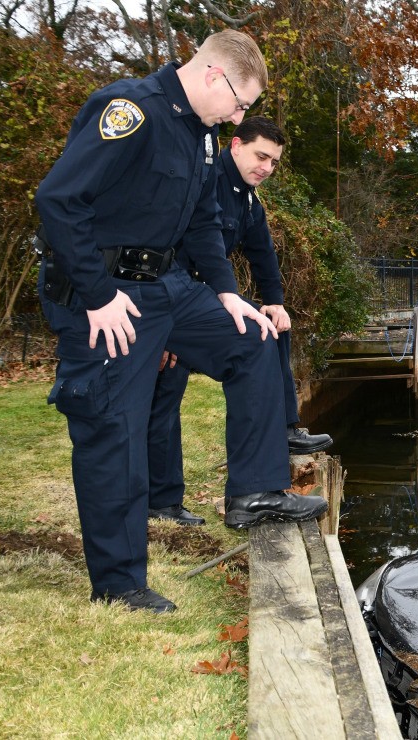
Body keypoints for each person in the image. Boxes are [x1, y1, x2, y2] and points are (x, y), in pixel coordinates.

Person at [35, 30, 327, 615]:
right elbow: (58, 200)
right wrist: (97, 296)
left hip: (169, 286)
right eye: (240, 104)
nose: (240, 117)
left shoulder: (200, 135)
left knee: (255, 338)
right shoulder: (132, 110)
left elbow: (201, 222)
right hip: (108, 293)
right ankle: (119, 583)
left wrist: (226, 294)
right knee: (114, 429)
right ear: (215, 74)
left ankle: (254, 492)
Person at [147, 116, 332, 527]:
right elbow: (190, 248)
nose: (267, 167)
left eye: (274, 162)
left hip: (195, 299)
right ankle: (174, 499)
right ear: (235, 144)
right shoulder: (208, 179)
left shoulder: (247, 198)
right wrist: (161, 330)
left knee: (269, 325)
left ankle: (282, 429)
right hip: (174, 299)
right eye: (261, 156)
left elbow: (263, 252)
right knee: (164, 398)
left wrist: (276, 302)